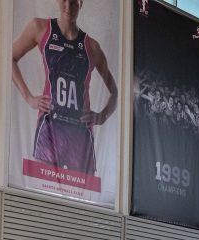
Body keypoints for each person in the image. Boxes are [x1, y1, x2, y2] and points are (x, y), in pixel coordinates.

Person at [11, 0, 118, 176]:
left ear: (81, 3)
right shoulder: (40, 28)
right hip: (49, 129)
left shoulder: (91, 46)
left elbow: (115, 92)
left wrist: (102, 116)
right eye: (64, 0)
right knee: (43, 192)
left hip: (80, 133)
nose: (68, 5)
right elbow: (9, 57)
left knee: (83, 195)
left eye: (74, 1)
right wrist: (29, 97)